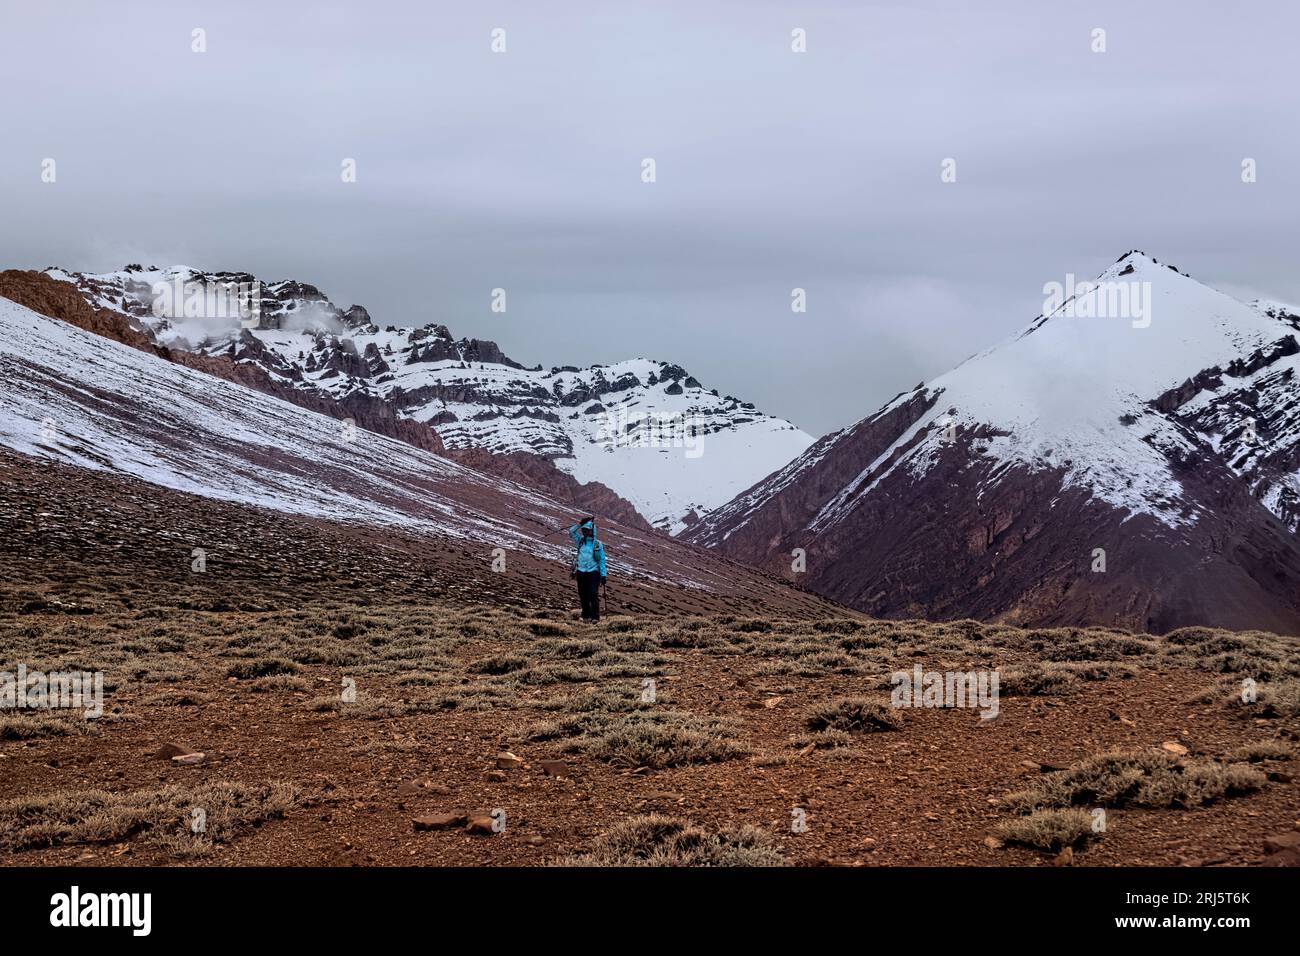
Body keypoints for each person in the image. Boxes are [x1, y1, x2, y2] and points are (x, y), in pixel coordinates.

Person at [568, 516, 607, 622]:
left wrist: (603, 575)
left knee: (593, 593)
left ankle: (595, 617)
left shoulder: (598, 544)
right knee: (583, 594)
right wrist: (580, 523)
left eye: (587, 530)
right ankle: (586, 616)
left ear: (592, 531)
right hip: (581, 571)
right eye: (583, 530)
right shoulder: (580, 541)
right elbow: (571, 532)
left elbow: (602, 560)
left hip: (594, 572)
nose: (584, 532)